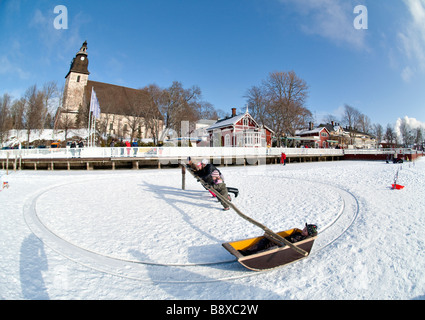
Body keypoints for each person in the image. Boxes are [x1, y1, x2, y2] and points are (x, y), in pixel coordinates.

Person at [239, 223, 318, 256]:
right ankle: (249, 251)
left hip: (284, 246)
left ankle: (253, 255)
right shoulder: (298, 233)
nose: (302, 230)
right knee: (264, 240)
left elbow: (296, 243)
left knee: (271, 249)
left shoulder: (304, 239)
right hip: (281, 241)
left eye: (305, 230)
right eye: (304, 228)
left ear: (309, 234)